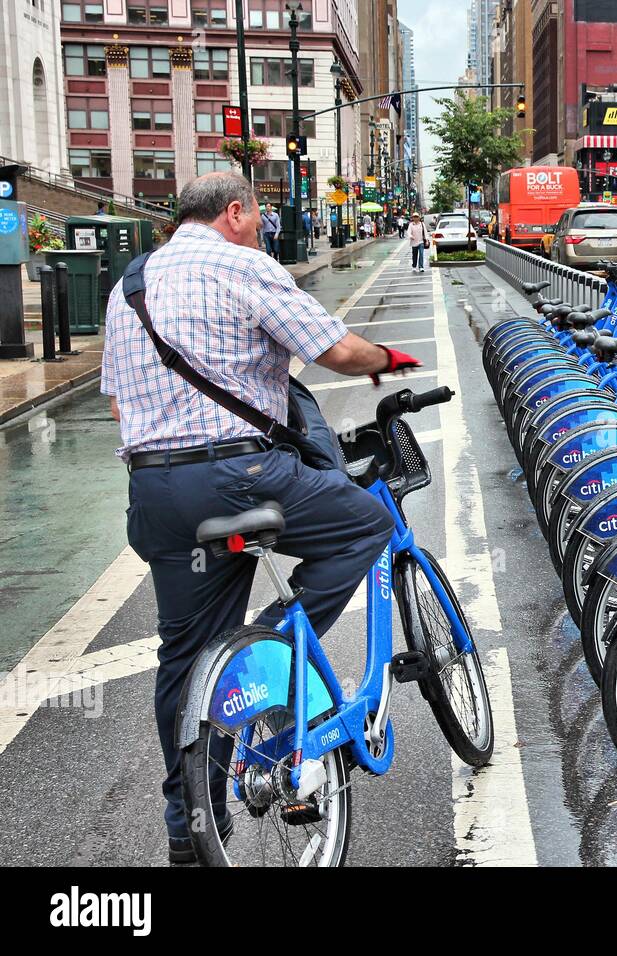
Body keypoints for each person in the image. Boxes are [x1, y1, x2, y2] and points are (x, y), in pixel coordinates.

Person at [100, 171, 421, 864]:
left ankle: (191, 821)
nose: (263, 226)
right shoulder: (241, 263)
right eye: (259, 214)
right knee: (364, 525)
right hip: (240, 473)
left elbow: (119, 405)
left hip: (155, 491)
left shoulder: (130, 285)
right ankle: (267, 643)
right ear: (235, 211)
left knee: (183, 659)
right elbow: (334, 349)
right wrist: (388, 358)